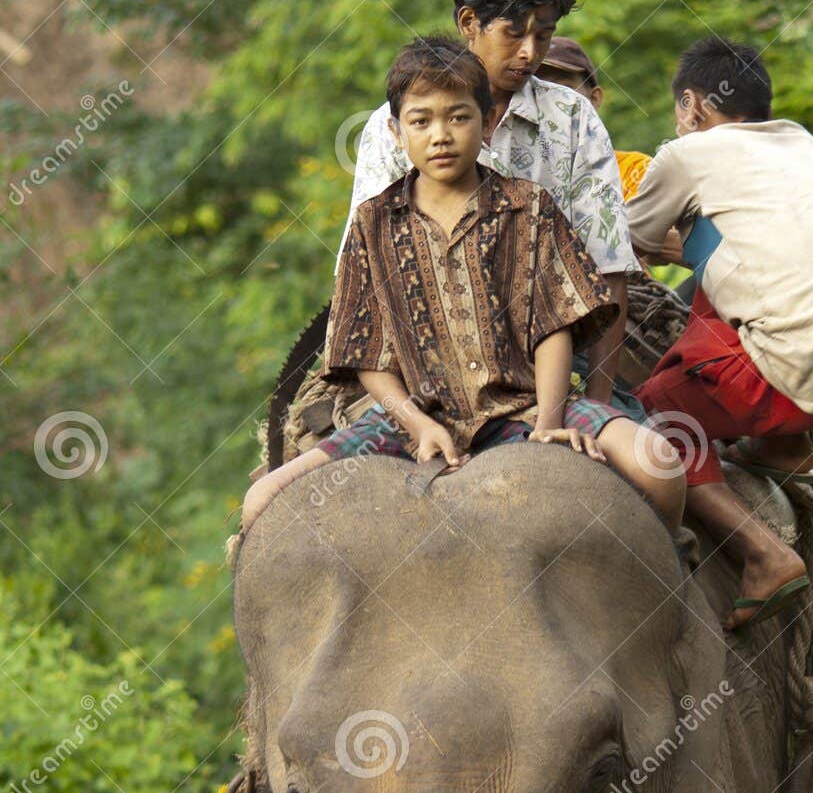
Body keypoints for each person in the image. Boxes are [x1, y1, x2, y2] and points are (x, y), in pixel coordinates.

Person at [242, 37, 685, 533]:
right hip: (407, 417)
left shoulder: (530, 208)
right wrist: (417, 424)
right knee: (261, 501)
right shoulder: (371, 224)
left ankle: (675, 561)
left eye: (458, 117)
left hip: (522, 407)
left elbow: (554, 327)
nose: (441, 136)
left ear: (486, 122)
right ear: (396, 132)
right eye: (421, 121)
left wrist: (549, 424)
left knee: (659, 466)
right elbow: (366, 355)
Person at [625, 35, 813, 629]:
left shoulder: (686, 153)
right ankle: (784, 446)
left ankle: (763, 553)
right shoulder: (799, 142)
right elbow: (742, 251)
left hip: (797, 378)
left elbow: (628, 245)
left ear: (692, 105)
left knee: (653, 415)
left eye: (679, 109)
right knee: (733, 274)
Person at [338, 0, 639, 404]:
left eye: (544, 35)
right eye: (513, 34)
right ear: (468, 23)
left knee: (637, 439)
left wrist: (598, 399)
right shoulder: (393, 125)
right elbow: (366, 262)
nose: (530, 52)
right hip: (422, 364)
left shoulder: (572, 118)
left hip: (554, 351)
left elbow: (609, 263)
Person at [535, 35, 651, 199]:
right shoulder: (512, 175)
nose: (551, 100)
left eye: (565, 89)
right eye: (537, 91)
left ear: (594, 98)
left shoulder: (634, 171)